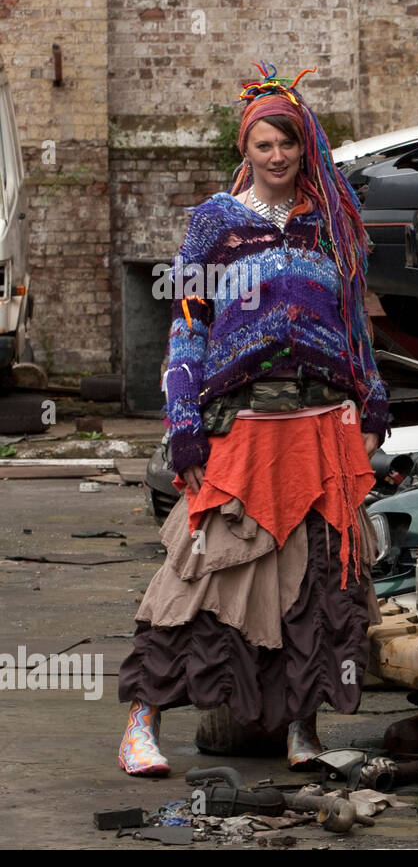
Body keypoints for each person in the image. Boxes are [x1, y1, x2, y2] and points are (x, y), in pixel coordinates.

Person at [116, 63, 391, 776]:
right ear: (246, 149)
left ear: (305, 148)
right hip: (242, 426)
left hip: (323, 424)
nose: (276, 157)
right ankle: (141, 724)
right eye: (263, 145)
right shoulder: (215, 224)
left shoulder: (329, 222)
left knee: (322, 587)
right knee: (203, 572)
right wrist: (182, 428)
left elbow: (357, 326)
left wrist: (374, 404)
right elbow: (187, 326)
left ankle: (303, 733)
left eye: (287, 145)